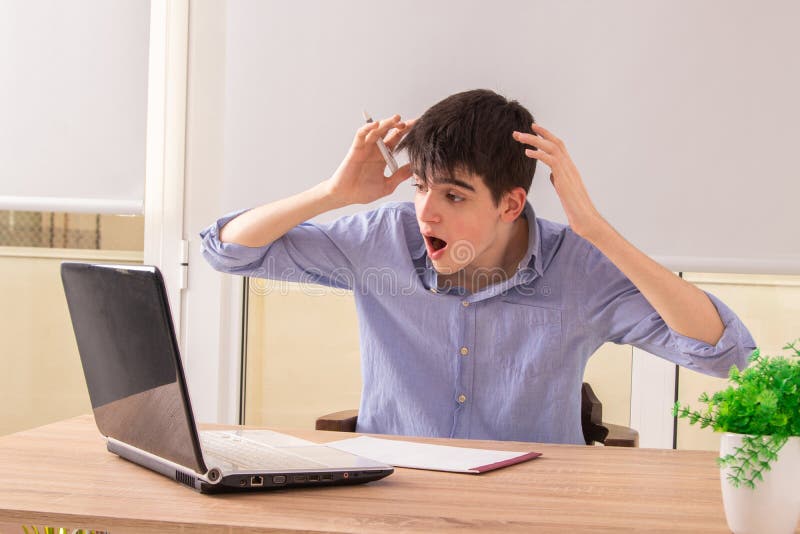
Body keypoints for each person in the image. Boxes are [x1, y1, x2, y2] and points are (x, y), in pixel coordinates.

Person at [200, 89, 755, 444]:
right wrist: (333, 192)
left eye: (454, 196)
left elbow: (725, 352)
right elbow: (228, 250)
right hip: (396, 498)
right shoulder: (382, 241)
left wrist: (595, 229)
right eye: (420, 187)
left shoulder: (578, 268)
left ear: (510, 204)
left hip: (531, 509)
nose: (426, 211)